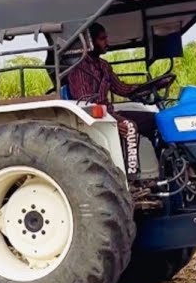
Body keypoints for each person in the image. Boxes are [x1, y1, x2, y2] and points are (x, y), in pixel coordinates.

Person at [63, 23, 172, 177]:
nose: (107, 43)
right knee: (129, 127)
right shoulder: (79, 69)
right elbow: (85, 102)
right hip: (93, 115)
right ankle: (132, 181)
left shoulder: (104, 66)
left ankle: (165, 171)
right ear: (90, 42)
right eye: (102, 39)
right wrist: (113, 119)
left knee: (157, 120)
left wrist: (152, 86)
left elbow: (122, 89)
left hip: (109, 112)